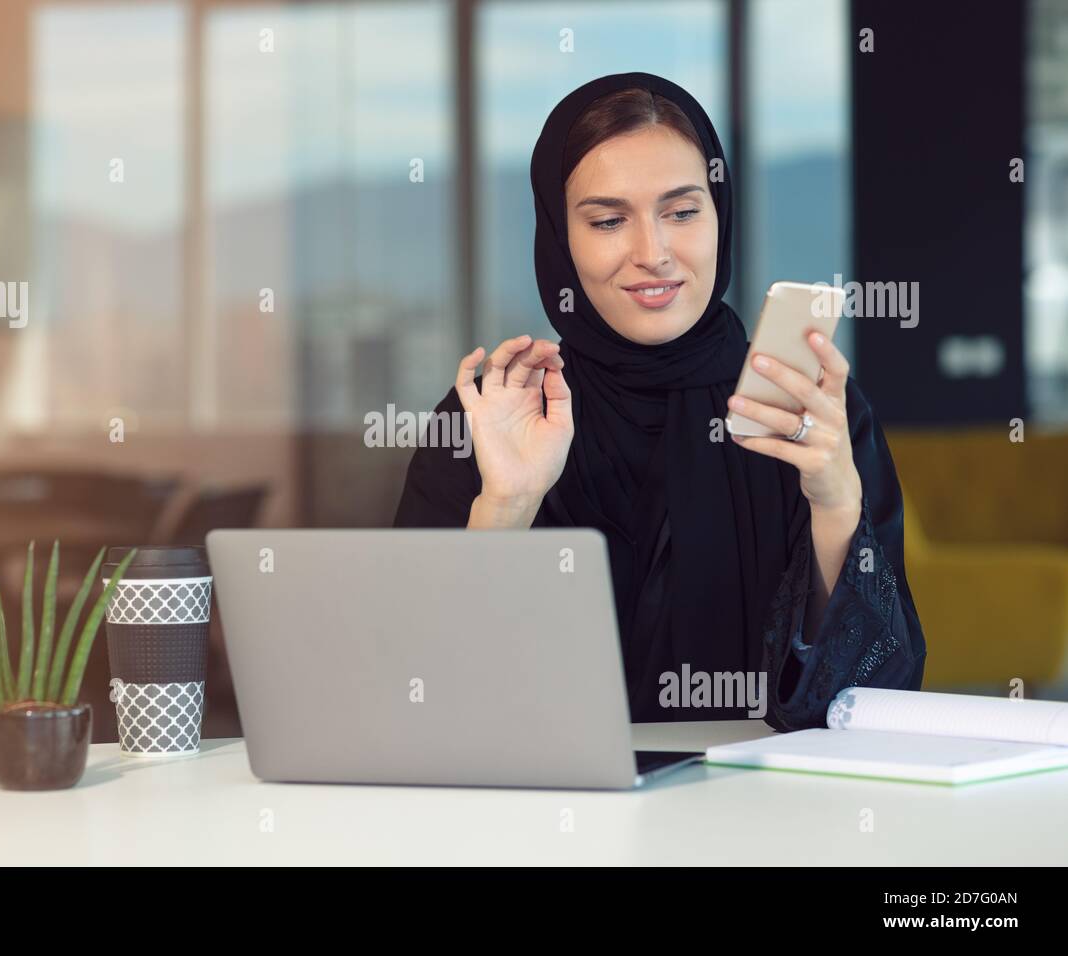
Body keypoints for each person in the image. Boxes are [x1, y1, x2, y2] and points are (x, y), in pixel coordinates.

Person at [393, 72, 926, 731]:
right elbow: (414, 695)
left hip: (765, 810)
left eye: (681, 211)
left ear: (719, 213)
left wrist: (836, 506)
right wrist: (507, 504)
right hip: (536, 813)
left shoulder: (805, 406)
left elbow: (873, 699)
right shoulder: (495, 412)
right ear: (559, 236)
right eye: (609, 220)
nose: (654, 253)